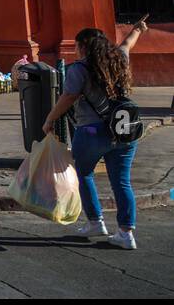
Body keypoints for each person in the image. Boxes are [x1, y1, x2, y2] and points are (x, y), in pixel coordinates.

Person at [42, 20, 148, 249]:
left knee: (84, 173)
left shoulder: (79, 69)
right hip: (125, 131)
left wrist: (50, 119)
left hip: (91, 131)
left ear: (83, 46)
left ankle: (95, 221)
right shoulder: (119, 59)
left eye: (77, 46)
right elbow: (128, 42)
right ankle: (126, 233)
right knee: (121, 181)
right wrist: (138, 28)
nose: (75, 51)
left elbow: (68, 97)